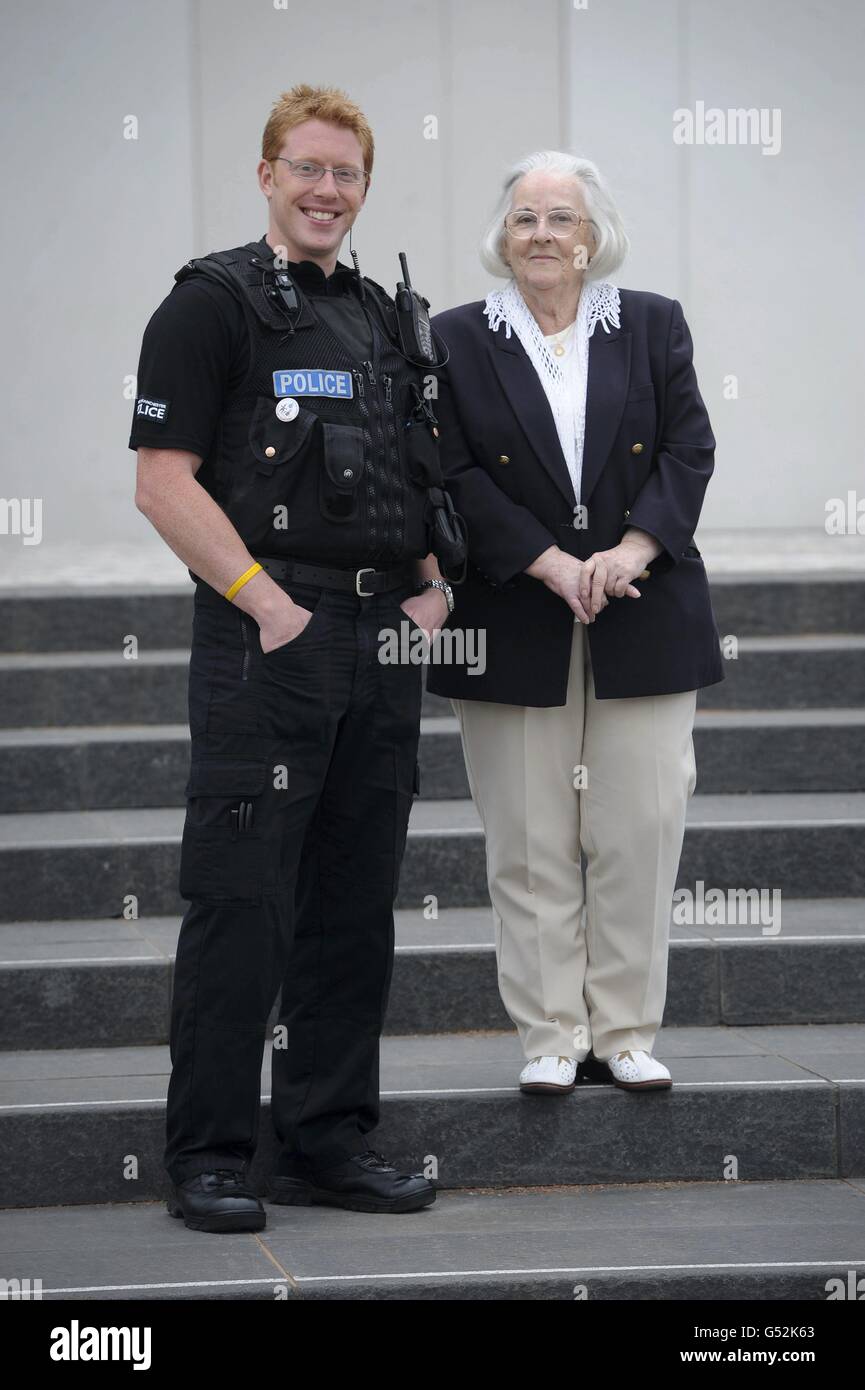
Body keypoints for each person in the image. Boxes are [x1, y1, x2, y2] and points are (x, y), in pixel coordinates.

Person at [130, 84, 461, 1233]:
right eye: (307, 169)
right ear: (266, 174)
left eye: (346, 173)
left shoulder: (384, 316)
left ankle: (328, 1141)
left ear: (365, 187)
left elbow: (420, 470)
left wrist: (435, 588)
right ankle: (212, 1156)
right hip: (266, 637)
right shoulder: (209, 304)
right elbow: (162, 482)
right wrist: (270, 609)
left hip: (381, 642)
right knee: (243, 898)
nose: (327, 190)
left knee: (353, 902)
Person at [427, 150, 724, 1097]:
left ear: (593, 236)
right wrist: (549, 562)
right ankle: (551, 1035)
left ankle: (625, 1031)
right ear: (502, 235)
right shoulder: (452, 338)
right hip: (514, 608)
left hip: (643, 603)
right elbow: (447, 471)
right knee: (527, 838)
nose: (542, 234)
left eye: (561, 218)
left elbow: (687, 447)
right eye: (525, 218)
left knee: (639, 827)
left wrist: (630, 551)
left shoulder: (652, 323)